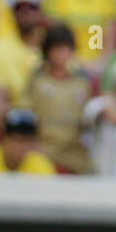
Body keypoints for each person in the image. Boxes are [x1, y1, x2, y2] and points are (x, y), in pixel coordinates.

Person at [27, 22, 89, 172]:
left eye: (65, 49)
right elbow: (28, 116)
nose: (61, 54)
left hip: (75, 154)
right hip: (43, 152)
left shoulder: (82, 84)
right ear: (47, 52)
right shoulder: (36, 83)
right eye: (56, 49)